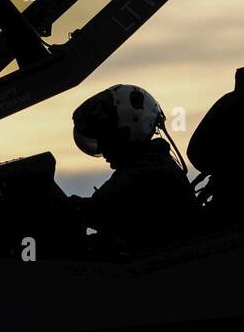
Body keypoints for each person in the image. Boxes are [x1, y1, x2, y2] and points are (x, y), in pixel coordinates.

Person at [69, 84, 197, 253]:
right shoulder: (143, 166)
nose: (103, 149)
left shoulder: (152, 172)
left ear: (127, 131)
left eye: (108, 139)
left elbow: (104, 209)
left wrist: (65, 207)